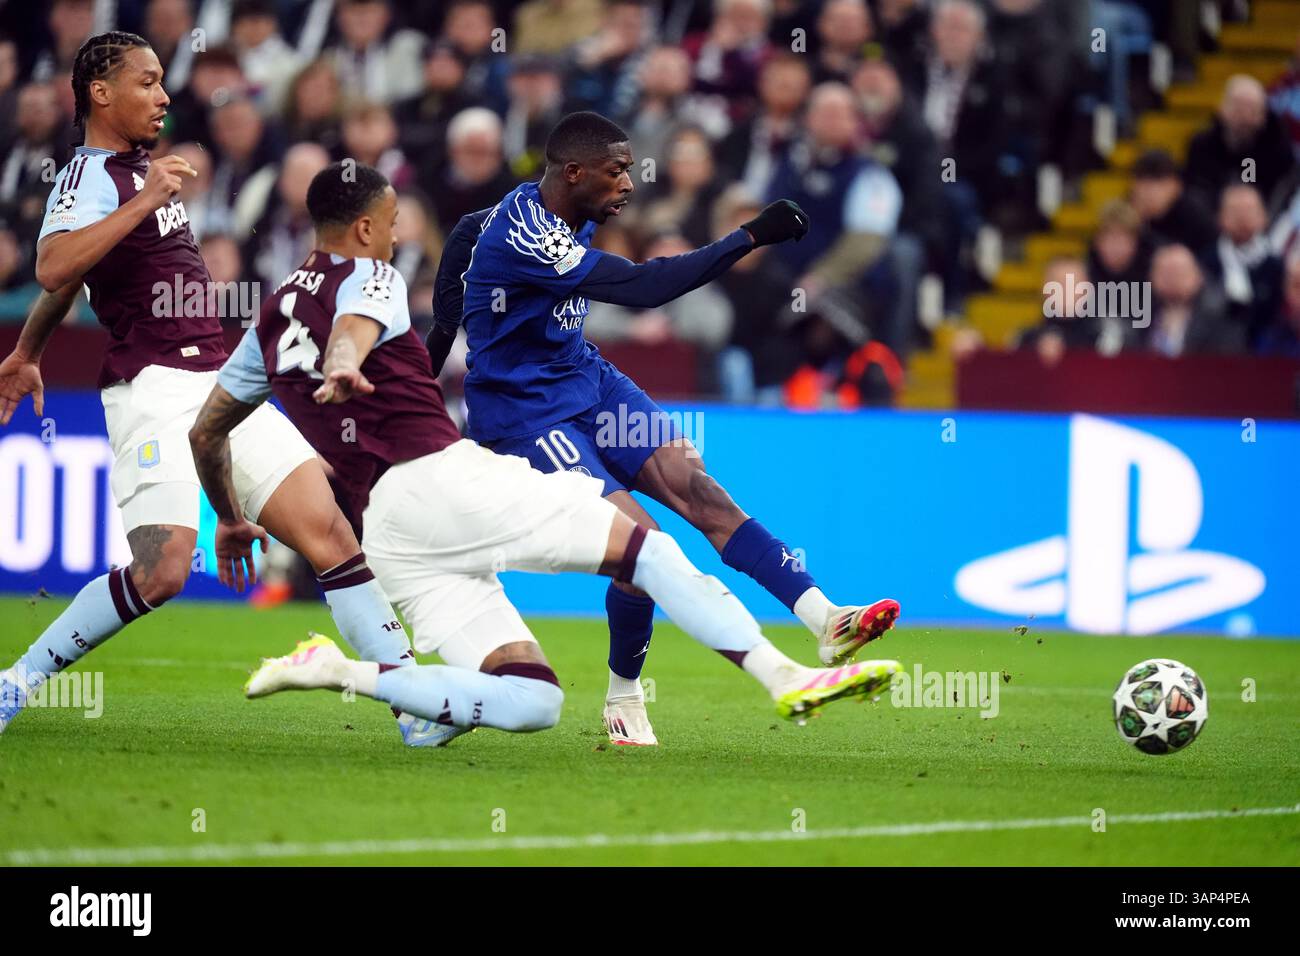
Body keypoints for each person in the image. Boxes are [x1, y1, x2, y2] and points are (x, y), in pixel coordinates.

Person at [195, 161, 902, 742]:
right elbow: (352, 321)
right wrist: (345, 359)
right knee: (647, 550)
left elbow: (207, 430)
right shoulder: (373, 277)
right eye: (392, 224)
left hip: (390, 532)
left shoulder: (267, 318)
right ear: (365, 227)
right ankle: (784, 677)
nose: (397, 235)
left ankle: (334, 670)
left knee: (532, 704)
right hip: (447, 479)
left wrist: (227, 515)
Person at [425, 112, 901, 747]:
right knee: (641, 543)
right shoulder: (525, 233)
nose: (629, 181)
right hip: (523, 411)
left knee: (697, 487)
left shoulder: (563, 211)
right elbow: (646, 289)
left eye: (629, 166)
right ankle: (624, 697)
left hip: (587, 379)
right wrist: (748, 237)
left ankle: (825, 619)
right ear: (573, 173)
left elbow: (466, 252)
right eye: (616, 170)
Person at [0, 32, 322, 735]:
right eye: (146, 81)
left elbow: (84, 272)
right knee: (163, 568)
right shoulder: (91, 178)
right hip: (150, 383)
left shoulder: (138, 168)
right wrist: (145, 202)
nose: (165, 95)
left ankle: (408, 694)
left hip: (212, 371)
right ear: (99, 92)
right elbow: (55, 268)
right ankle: (17, 682)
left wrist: (27, 349)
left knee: (328, 519)